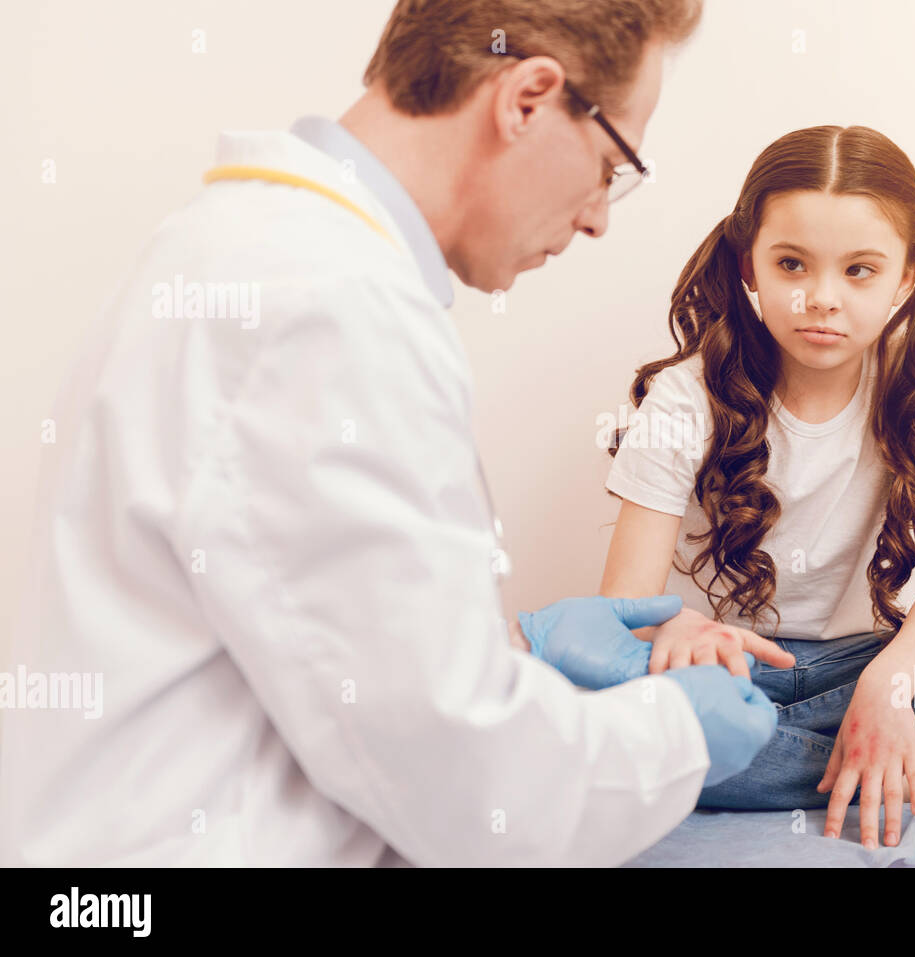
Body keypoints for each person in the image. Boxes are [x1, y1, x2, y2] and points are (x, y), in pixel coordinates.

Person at [0, 0, 788, 867]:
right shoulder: (325, 307)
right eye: (611, 164)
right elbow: (470, 790)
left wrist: (513, 641)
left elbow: (307, 623)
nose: (600, 215)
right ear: (526, 99)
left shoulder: (248, 249)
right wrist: (678, 732)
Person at [600, 125, 915, 849]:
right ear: (751, 265)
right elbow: (623, 610)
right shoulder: (685, 400)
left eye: (859, 270)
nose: (821, 298)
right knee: (615, 706)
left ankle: (834, 746)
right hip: (729, 674)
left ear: (905, 276)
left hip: (862, 661)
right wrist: (674, 627)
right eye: (792, 264)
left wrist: (888, 685)